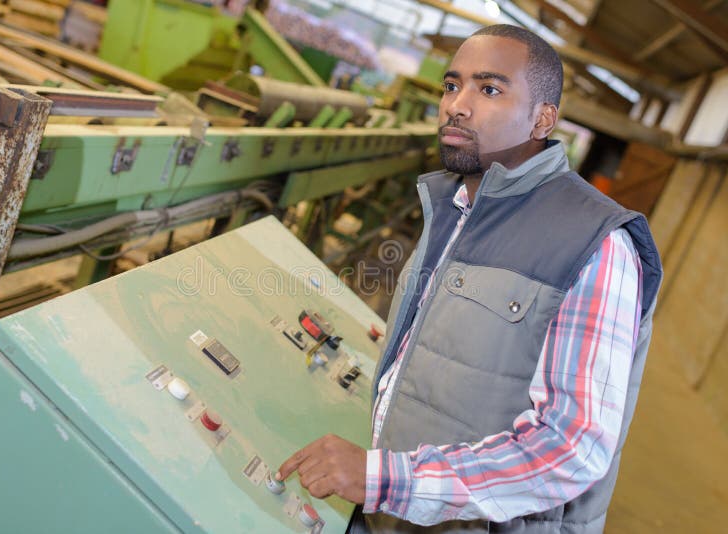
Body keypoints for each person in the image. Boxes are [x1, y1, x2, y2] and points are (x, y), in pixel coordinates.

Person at [277, 24, 662, 533]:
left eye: (490, 89)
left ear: (542, 118)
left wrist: (385, 478)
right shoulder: (455, 206)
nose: (457, 105)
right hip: (390, 512)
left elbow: (571, 447)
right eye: (451, 85)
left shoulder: (596, 242)